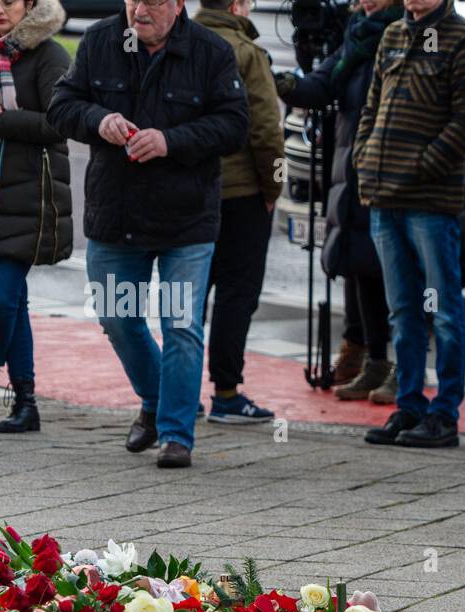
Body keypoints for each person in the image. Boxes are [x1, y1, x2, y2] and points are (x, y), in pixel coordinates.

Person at [48, 0, 249, 469]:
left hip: (186, 220)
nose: (140, 9)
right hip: (116, 216)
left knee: (181, 324)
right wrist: (99, 120)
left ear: (178, 5)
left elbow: (235, 125)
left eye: (154, 0)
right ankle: (156, 402)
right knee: (118, 319)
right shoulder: (100, 40)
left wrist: (170, 141)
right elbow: (61, 106)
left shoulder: (211, 51)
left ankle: (177, 434)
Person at [354, 0, 465, 449]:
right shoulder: (392, 35)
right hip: (382, 197)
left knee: (445, 311)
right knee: (402, 311)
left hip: (429, 201)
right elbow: (371, 105)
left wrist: (421, 165)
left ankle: (444, 414)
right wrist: (364, 159)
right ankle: (409, 406)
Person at [275, 0, 403, 403]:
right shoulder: (357, 34)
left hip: (393, 171)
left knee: (397, 272)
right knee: (363, 264)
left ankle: (405, 368)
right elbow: (322, 85)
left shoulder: (400, 34)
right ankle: (375, 361)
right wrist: (283, 81)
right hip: (352, 167)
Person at [0, 0, 72, 433]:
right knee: (14, 300)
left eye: (8, 2)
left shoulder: (50, 54)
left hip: (32, 196)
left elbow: (60, 123)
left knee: (1, 298)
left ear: (30, 6)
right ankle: (26, 401)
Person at [195, 0, 283, 425]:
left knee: (189, 292)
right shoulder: (246, 52)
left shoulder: (182, 41)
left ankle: (178, 388)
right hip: (241, 191)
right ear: (237, 5)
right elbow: (266, 130)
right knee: (236, 292)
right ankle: (226, 393)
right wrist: (273, 187)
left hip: (188, 187)